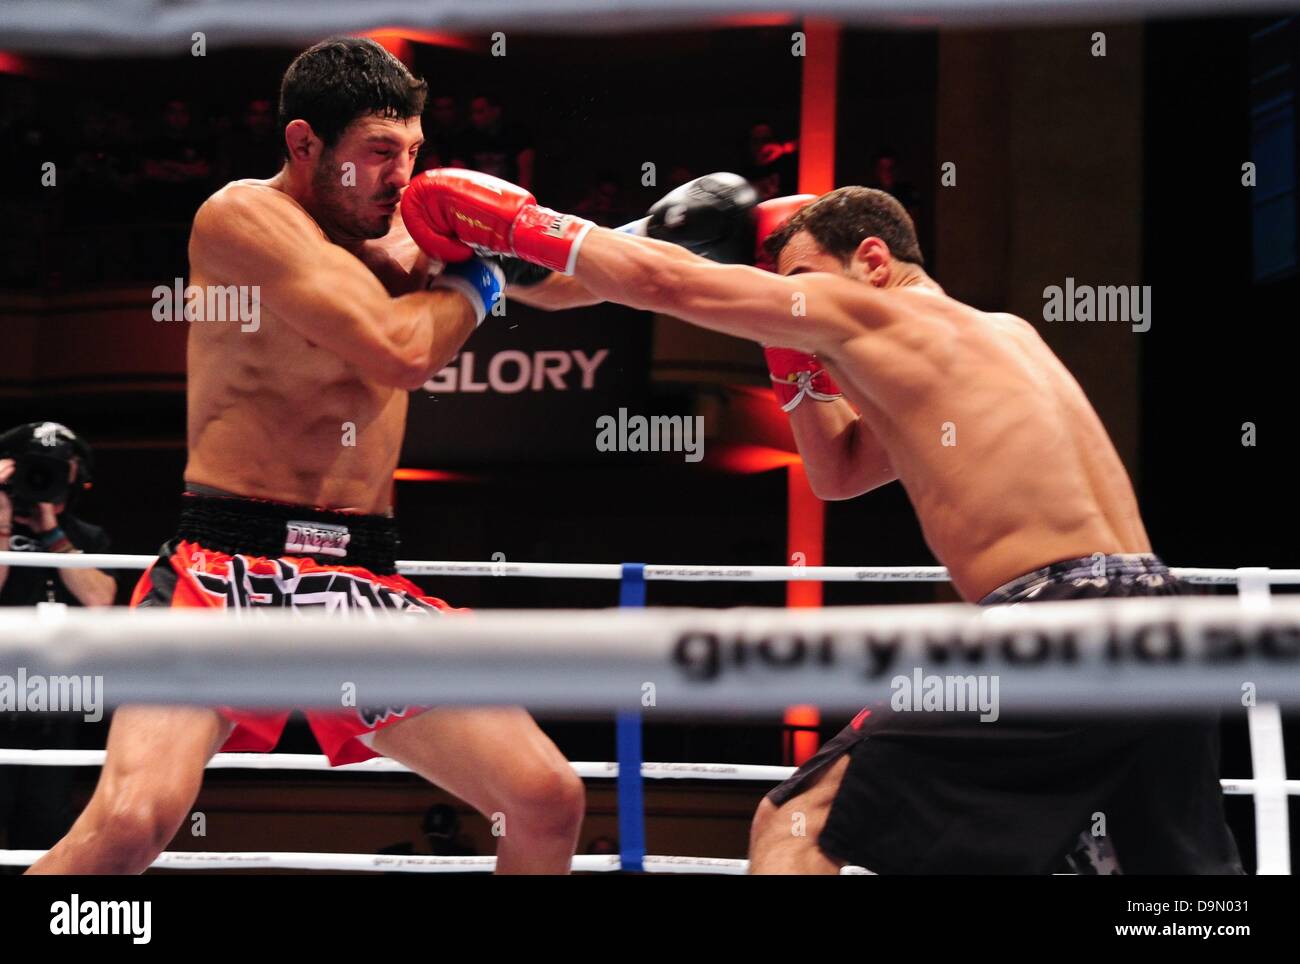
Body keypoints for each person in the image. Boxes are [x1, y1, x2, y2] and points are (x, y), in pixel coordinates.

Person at [399, 170, 1244, 874]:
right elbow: (837, 472)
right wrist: (789, 349)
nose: (788, 303)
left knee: (794, 824)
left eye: (799, 285)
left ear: (872, 260)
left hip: (1054, 622)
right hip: (1159, 624)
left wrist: (520, 229)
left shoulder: (879, 313)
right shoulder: (995, 337)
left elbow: (661, 282)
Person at [25, 37, 587, 876]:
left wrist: (677, 241)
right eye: (379, 153)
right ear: (303, 144)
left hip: (359, 575)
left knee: (545, 799)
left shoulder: (415, 223)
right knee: (130, 824)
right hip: (226, 562)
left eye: (413, 151)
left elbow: (566, 274)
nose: (403, 175)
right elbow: (398, 350)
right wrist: (479, 281)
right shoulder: (241, 219)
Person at [0, 422, 116, 867]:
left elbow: (101, 599)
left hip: (56, 705)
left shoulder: (84, 538)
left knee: (45, 832)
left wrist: (52, 533)